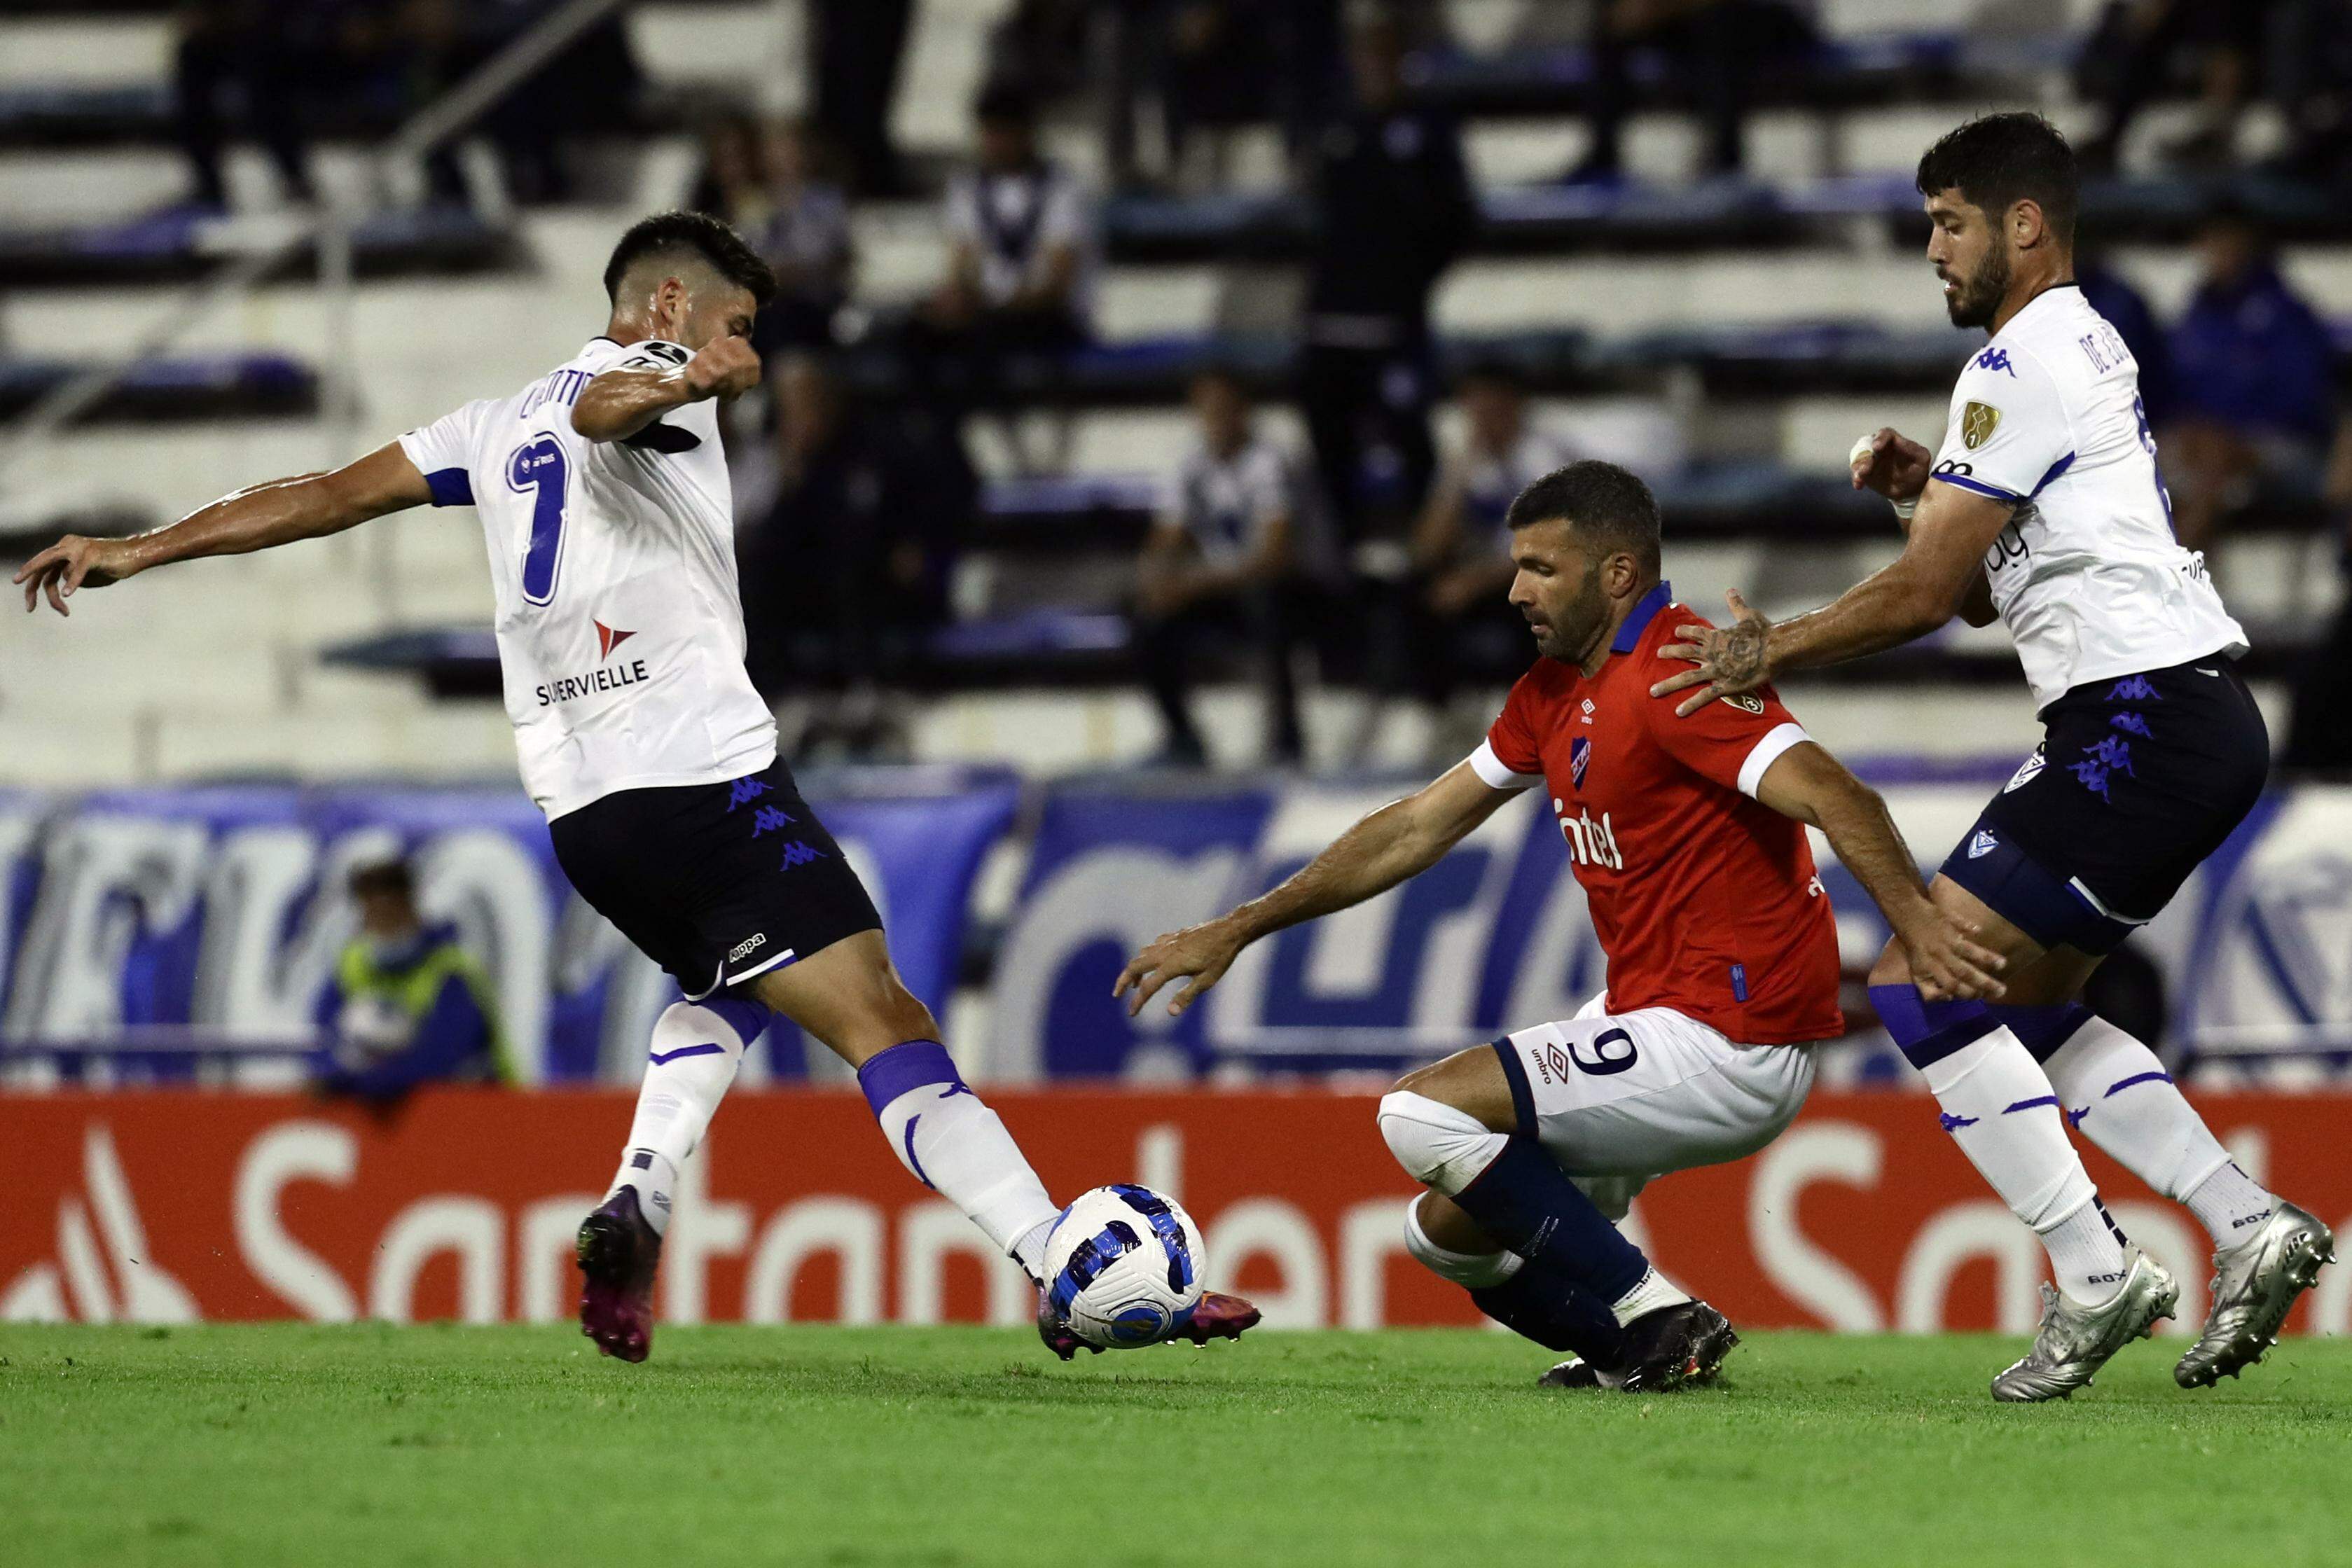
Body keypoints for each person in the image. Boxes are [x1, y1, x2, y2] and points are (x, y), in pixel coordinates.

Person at [13, 210, 1257, 1365]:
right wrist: (689, 373)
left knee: (726, 982)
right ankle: (1057, 1257)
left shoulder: (486, 424)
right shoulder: (661, 377)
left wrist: (141, 545)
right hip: (700, 770)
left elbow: (326, 494)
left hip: (585, 815)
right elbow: (612, 405)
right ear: (670, 299)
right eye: (736, 322)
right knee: (884, 1016)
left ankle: (640, 1191)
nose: (743, 349)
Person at [1652, 113, 2335, 1401]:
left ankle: (2093, 1269)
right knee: (2006, 997)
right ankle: (2243, 1223)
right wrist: (1927, 490)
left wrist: (1767, 651)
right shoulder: (2079, 349)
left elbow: (1919, 597)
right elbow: (1973, 589)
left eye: (1947, 221)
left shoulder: (2015, 364)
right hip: (2186, 720)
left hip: (2134, 718)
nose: (1930, 249)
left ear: (2024, 225)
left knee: (1916, 978)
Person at [1118, 460, 2009, 1391]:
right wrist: (1241, 924)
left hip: (1735, 1035)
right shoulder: (1553, 691)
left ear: (1616, 572)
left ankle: (1653, 1307)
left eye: (1541, 566)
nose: (1514, 589)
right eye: (1517, 566)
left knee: (1417, 1110)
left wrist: (1915, 921)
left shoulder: (1677, 669)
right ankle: (1642, 1353)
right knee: (1446, 1234)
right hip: (1655, 1013)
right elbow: (1417, 825)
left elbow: (1835, 791)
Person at [1298, 10, 1474, 548]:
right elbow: (1317, 215)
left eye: (1383, 55)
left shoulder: (1427, 128)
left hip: (1395, 323)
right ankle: (1344, 560)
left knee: (1410, 439)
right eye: (1363, 56)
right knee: (1329, 446)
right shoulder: (1335, 126)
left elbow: (1459, 220)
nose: (1372, 68)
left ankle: (1425, 560)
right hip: (1330, 323)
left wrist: (1409, 277)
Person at [741, 352, 967, 753]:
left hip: (884, 584)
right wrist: (792, 478)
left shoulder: (880, 448)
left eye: (806, 403)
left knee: (852, 566)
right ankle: (773, 693)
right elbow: (783, 543)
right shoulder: (794, 463)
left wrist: (917, 545)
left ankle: (868, 690)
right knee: (754, 570)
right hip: (820, 589)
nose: (799, 418)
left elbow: (934, 501)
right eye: (790, 408)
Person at [1133, 368, 1306, 766]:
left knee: (1268, 604)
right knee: (1147, 617)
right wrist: (1155, 578)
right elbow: (1166, 537)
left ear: (1244, 411)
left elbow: (1275, 556)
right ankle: (1182, 735)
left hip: (1285, 588)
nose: (1216, 420)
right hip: (1221, 591)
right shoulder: (1190, 465)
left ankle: (1287, 738)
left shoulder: (1270, 462)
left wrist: (1192, 584)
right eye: (1207, 410)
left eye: (1224, 409)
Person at [1406, 363, 1579, 719]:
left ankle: (1539, 716)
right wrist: (1457, 475)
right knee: (1414, 593)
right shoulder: (1468, 461)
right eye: (1472, 404)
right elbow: (1425, 549)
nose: (1480, 415)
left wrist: (1472, 583)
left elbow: (1551, 550)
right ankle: (1440, 714)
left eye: (1489, 403)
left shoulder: (1544, 460)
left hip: (1543, 580)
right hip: (1488, 581)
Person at [2161, 207, 2337, 554]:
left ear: (2249, 244)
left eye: (2227, 240)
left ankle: (2167, 584)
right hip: (2200, 442)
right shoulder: (2197, 314)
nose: (2218, 251)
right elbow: (2176, 390)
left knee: (2215, 463)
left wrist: (2231, 432)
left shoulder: (2287, 314)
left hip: (2282, 447)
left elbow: (2303, 401)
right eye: (2210, 241)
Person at [315, 858, 510, 1104]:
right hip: (393, 1110)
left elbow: (439, 1059)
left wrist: (354, 1084)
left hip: (486, 1112)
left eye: (391, 911)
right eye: (373, 913)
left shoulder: (452, 971)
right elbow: (322, 1040)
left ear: (410, 906)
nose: (383, 924)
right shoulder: (351, 964)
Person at [1561, 0, 1815, 186]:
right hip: (1691, 18)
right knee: (1611, 19)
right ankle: (1603, 160)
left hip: (1771, 21)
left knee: (1719, 24)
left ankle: (1726, 164)